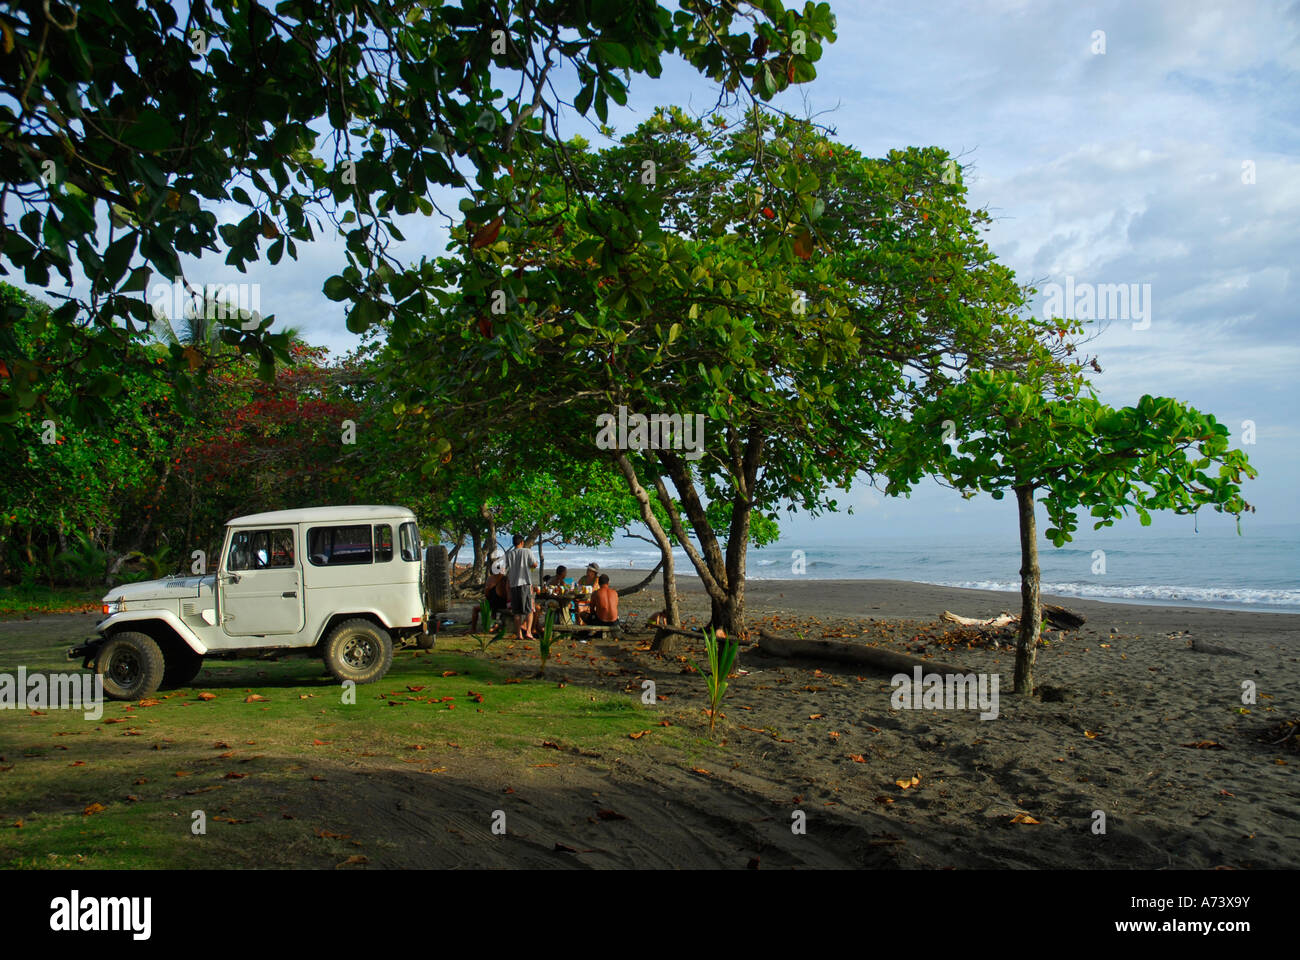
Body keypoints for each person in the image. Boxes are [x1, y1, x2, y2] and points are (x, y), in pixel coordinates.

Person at [503, 534, 538, 641]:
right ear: (522, 542)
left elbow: (505, 569)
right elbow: (534, 564)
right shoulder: (527, 551)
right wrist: (531, 566)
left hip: (514, 584)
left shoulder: (509, 554)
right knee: (529, 610)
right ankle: (528, 632)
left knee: (517, 611)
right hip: (525, 583)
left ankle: (519, 634)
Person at [471, 564, 509, 631]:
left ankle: (473, 629)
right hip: (503, 603)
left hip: (494, 604)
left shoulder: (491, 579)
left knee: (475, 609)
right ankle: (494, 624)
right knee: (492, 606)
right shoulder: (505, 579)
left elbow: (487, 593)